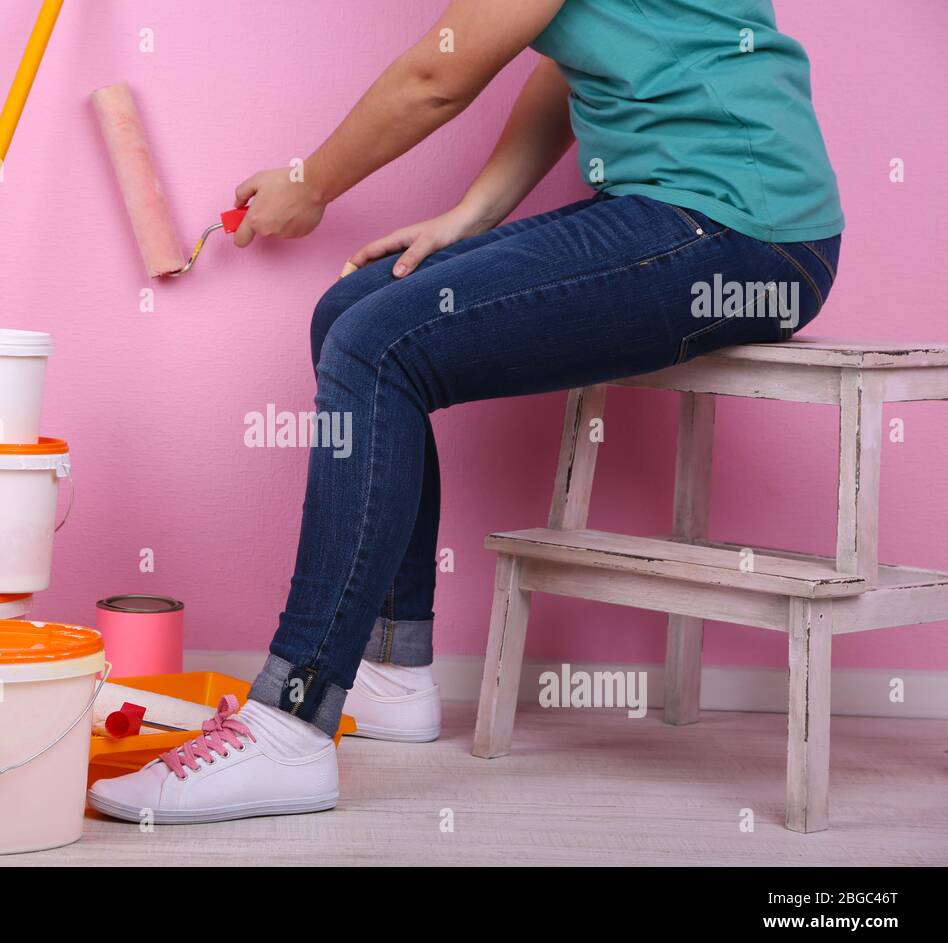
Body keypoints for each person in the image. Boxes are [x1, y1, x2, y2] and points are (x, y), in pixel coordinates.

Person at [87, 0, 843, 824]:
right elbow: (565, 58)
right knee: (351, 312)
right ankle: (389, 667)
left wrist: (310, 184)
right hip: (671, 211)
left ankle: (292, 721)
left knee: (378, 348)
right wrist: (472, 213)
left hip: (741, 235)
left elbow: (436, 78)